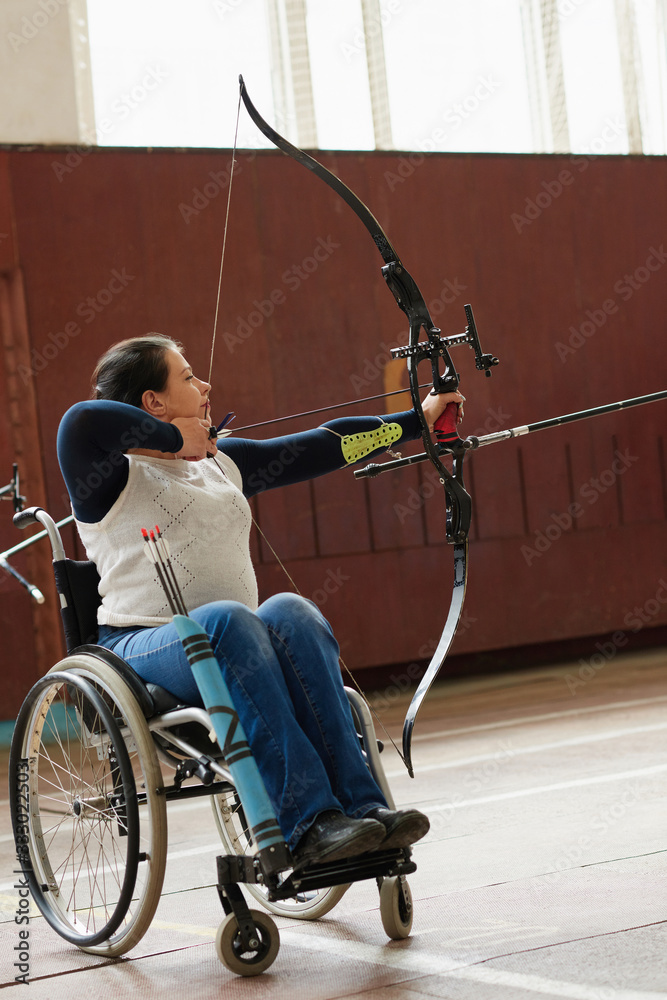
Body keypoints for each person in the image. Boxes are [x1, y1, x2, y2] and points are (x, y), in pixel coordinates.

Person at [57, 334, 463, 867]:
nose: (205, 387)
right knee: (228, 621)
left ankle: (362, 812)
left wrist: (419, 419)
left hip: (228, 640)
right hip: (139, 647)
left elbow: (327, 443)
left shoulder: (220, 464)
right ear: (153, 402)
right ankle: (307, 823)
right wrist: (173, 440)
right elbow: (81, 421)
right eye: (187, 378)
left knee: (290, 611)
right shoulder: (105, 476)